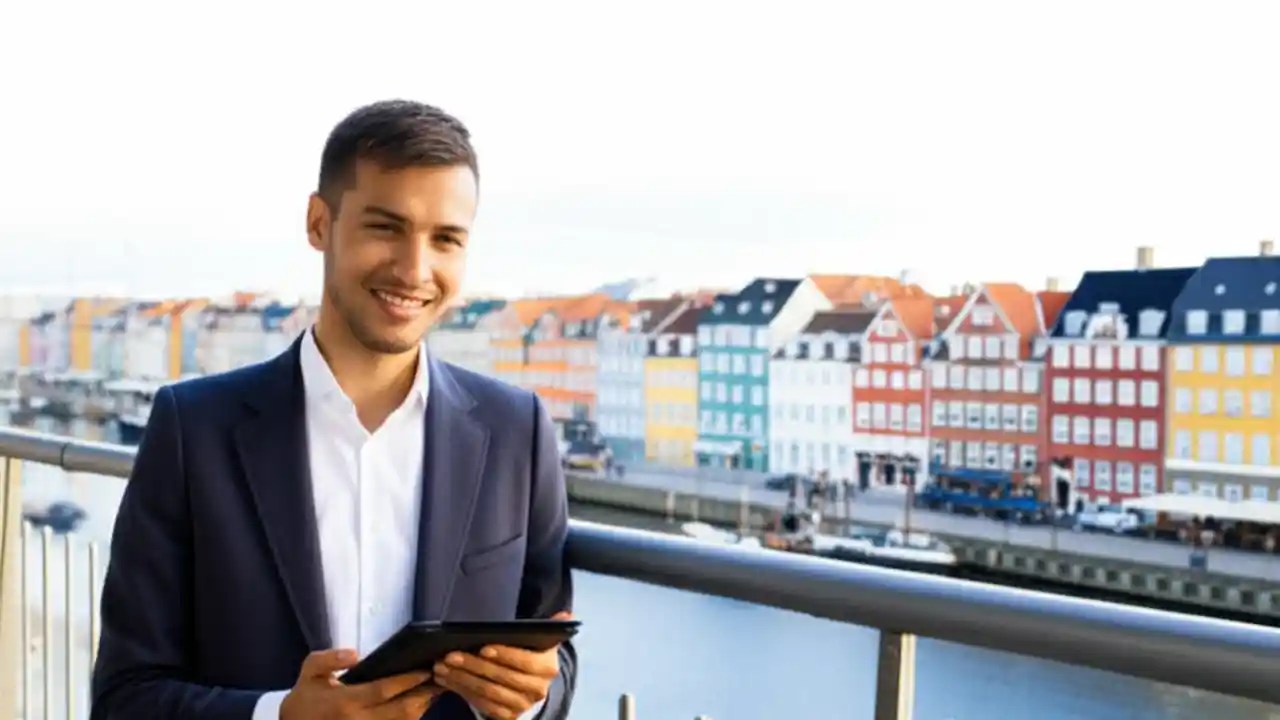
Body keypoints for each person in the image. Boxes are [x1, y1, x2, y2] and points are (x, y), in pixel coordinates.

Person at [90, 100, 576, 720]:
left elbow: (552, 659)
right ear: (319, 223)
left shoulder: (518, 431)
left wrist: (532, 697)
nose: (414, 269)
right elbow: (123, 699)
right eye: (385, 227)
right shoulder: (193, 431)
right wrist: (279, 715)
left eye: (446, 240)